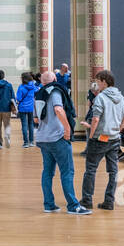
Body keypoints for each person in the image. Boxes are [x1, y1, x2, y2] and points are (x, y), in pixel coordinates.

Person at [33, 70, 87, 214]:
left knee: (48, 172)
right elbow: (58, 109)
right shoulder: (55, 92)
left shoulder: (38, 94)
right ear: (55, 79)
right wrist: (67, 128)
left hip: (43, 138)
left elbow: (36, 119)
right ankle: (73, 205)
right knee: (67, 171)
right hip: (57, 137)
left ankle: (49, 204)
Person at [80, 69, 124, 211]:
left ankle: (87, 200)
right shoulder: (122, 98)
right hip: (114, 139)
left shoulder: (100, 98)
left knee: (90, 170)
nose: (96, 84)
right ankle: (109, 201)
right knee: (113, 171)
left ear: (104, 82)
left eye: (98, 81)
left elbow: (96, 119)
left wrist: (91, 136)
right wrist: (116, 130)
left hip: (99, 138)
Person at [0, 70, 16, 148]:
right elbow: (13, 97)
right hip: (7, 108)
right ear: (4, 76)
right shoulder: (9, 85)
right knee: (7, 124)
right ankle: (6, 136)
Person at [16, 72, 38, 147]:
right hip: (30, 108)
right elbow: (37, 91)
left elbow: (18, 98)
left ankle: (26, 143)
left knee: (24, 125)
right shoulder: (33, 86)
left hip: (22, 108)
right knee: (31, 124)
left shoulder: (21, 87)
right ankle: (31, 142)